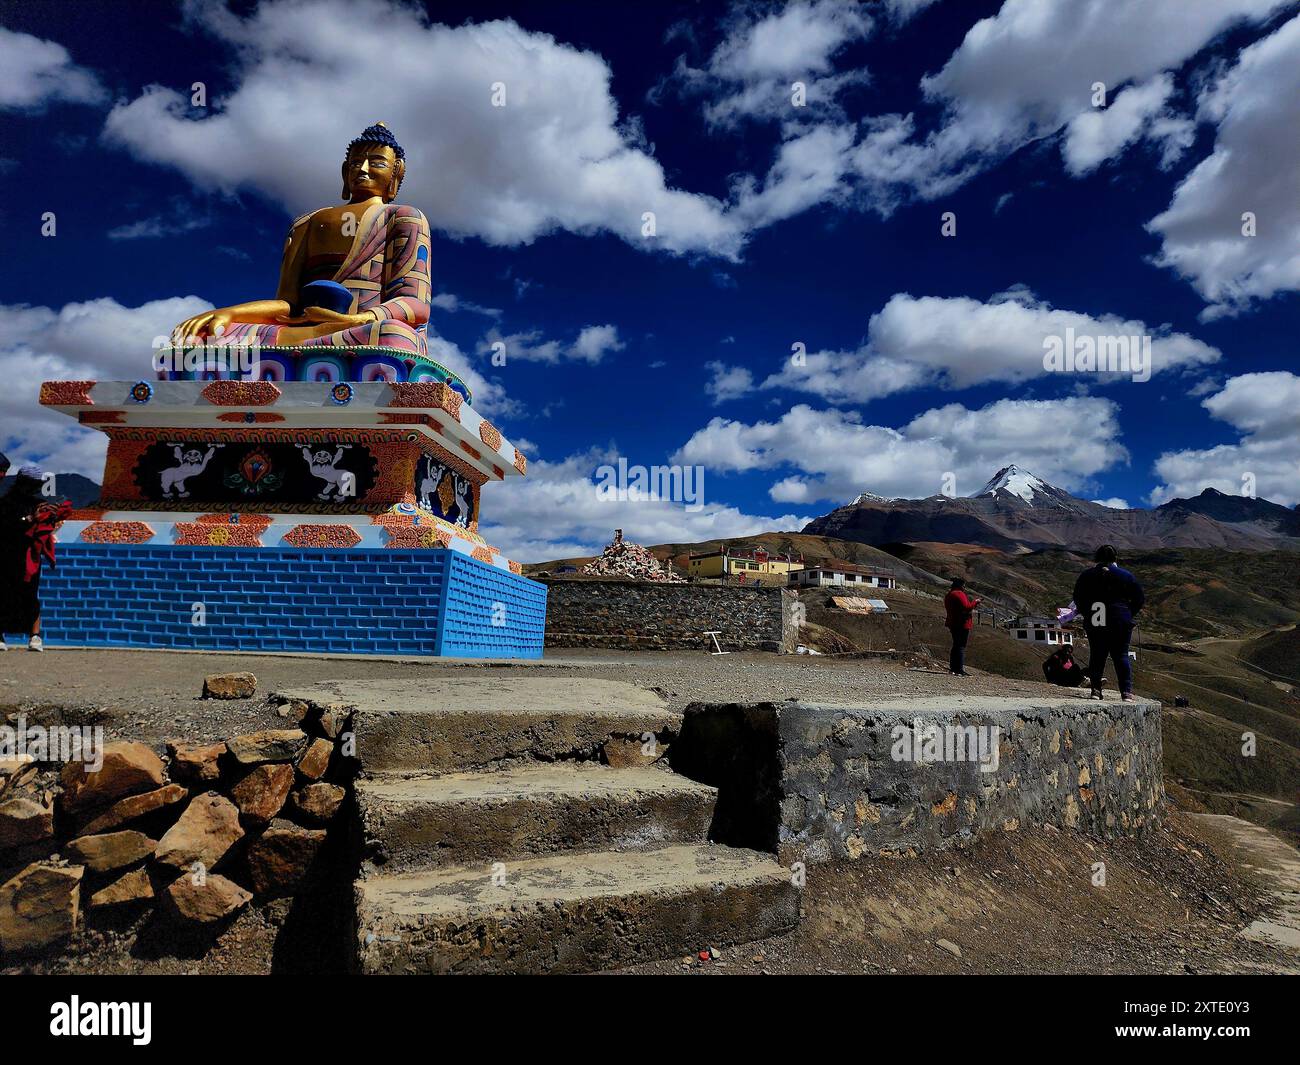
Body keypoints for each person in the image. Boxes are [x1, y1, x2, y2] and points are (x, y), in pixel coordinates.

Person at [0, 465, 71, 652]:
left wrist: (52, 515)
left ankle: (35, 636)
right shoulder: (4, 504)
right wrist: (30, 519)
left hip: (29, 556)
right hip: (6, 554)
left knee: (31, 595)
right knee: (4, 595)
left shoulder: (38, 503)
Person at [1072, 544, 1145, 701]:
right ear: (1115, 558)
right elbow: (1139, 599)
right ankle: (1126, 692)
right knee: (1121, 656)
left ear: (1097, 558)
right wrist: (1127, 613)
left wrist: (1088, 613)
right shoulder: (1126, 576)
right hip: (1120, 620)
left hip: (1096, 619)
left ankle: (1096, 690)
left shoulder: (1087, 576)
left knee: (1097, 655)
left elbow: (1078, 598)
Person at [943, 577, 981, 676]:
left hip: (953, 623)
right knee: (960, 646)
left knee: (956, 645)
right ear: (960, 585)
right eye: (964, 585)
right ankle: (959, 668)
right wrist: (975, 602)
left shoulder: (949, 594)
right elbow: (967, 607)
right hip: (961, 623)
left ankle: (953, 668)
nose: (965, 587)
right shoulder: (959, 594)